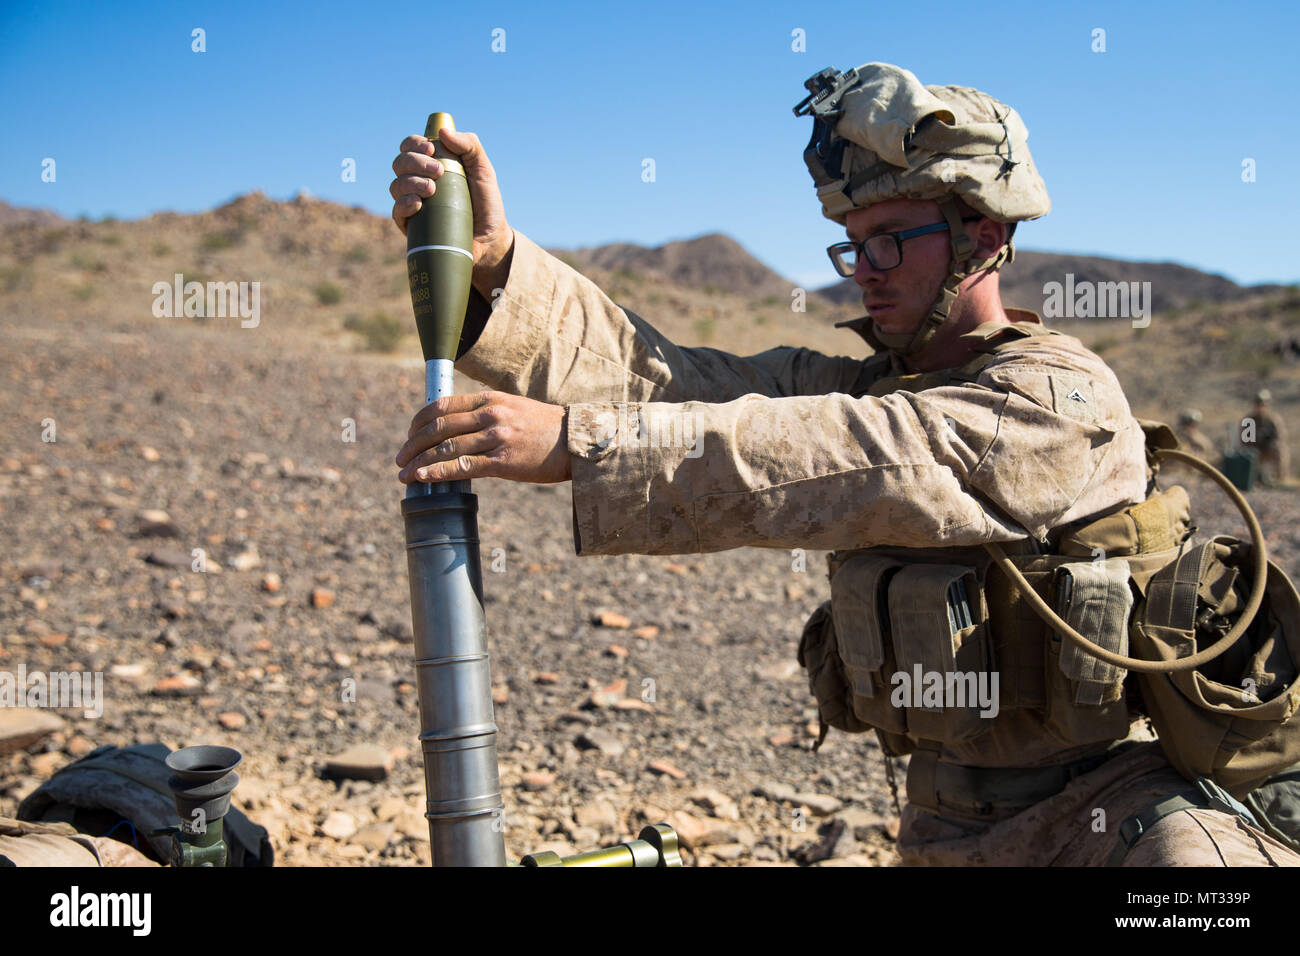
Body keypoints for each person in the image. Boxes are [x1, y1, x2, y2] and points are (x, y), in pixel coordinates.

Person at [388, 62, 1299, 866]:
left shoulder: (1058, 401)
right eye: (853, 247)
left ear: (983, 236)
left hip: (1113, 816)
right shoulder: (874, 382)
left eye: (891, 241)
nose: (863, 270)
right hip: (943, 825)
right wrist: (500, 264)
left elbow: (867, 455)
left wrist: (577, 447)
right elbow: (671, 382)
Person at [1247, 389, 1290, 487]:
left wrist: (1269, 442)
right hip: (1254, 450)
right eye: (1258, 403)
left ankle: (1280, 479)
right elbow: (1245, 441)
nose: (1261, 406)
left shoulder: (1273, 419)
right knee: (1247, 453)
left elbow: (1280, 437)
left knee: (1280, 449)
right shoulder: (1249, 420)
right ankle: (1251, 478)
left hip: (1268, 449)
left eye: (1263, 403)